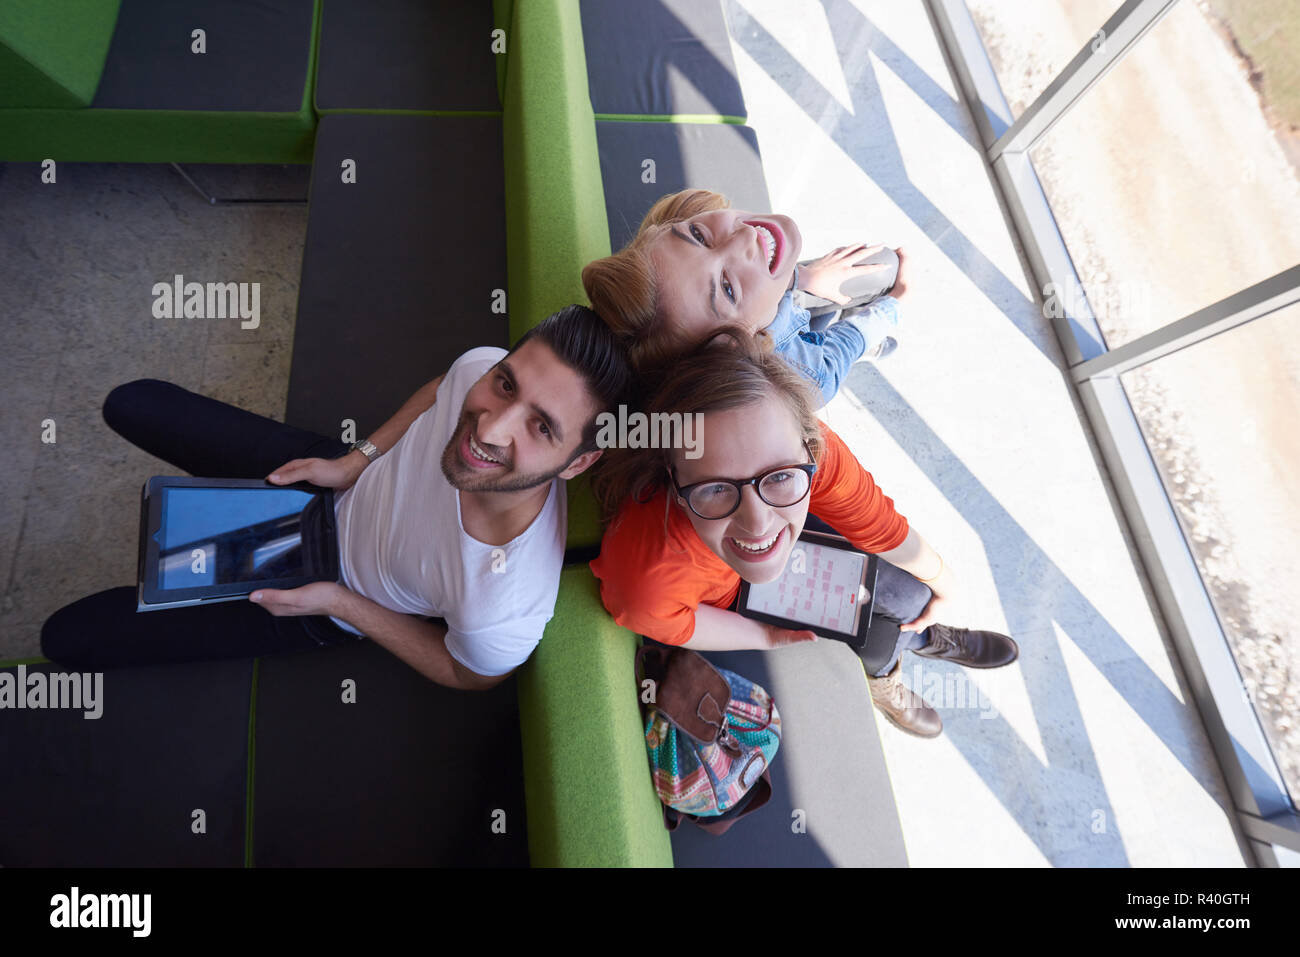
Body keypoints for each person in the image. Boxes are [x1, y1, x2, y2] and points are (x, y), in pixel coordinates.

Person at [41, 305, 635, 690]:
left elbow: (463, 670)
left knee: (69, 639)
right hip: (330, 481)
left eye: (542, 428)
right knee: (133, 402)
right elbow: (440, 387)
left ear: (578, 462)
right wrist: (357, 459)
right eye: (506, 384)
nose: (489, 428)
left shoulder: (506, 605)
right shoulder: (480, 368)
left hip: (327, 586)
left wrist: (340, 605)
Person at [588, 333, 1017, 737]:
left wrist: (946, 583)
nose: (757, 524)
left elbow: (880, 526)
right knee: (875, 635)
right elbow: (673, 621)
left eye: (779, 476)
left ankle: (924, 635)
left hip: (787, 533)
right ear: (674, 481)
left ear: (808, 449)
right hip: (730, 594)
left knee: (912, 598)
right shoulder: (645, 574)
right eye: (715, 488)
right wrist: (765, 637)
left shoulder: (813, 449)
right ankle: (886, 676)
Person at [582, 188, 910, 407]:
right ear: (739, 343)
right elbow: (837, 356)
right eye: (727, 288)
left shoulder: (730, 303)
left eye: (697, 235)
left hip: (776, 312)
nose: (745, 236)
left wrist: (803, 277)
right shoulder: (804, 376)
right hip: (802, 351)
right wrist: (891, 305)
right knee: (865, 306)